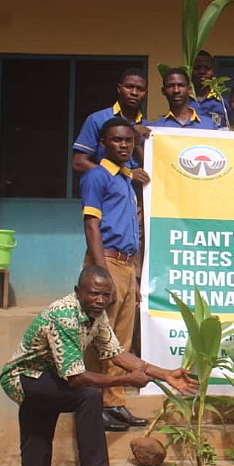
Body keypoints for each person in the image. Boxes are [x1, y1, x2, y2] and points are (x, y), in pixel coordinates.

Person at [0, 265, 198, 466]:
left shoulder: (97, 316)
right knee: (89, 396)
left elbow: (117, 355)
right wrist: (126, 381)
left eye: (105, 295)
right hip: (25, 379)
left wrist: (165, 374)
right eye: (94, 294)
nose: (100, 300)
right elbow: (77, 379)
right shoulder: (64, 315)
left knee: (36, 450)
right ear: (78, 291)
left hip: (51, 380)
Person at [80, 118, 146, 432]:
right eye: (117, 140)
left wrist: (133, 276)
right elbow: (92, 225)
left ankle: (116, 403)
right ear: (104, 143)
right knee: (99, 339)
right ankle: (96, 404)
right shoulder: (97, 176)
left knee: (120, 341)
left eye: (128, 141)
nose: (123, 145)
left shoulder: (125, 179)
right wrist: (101, 275)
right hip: (105, 263)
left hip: (126, 266)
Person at [71, 68, 151, 186]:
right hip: (106, 194)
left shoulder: (149, 129)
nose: (134, 92)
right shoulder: (97, 120)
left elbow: (154, 170)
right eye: (129, 87)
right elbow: (79, 163)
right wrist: (126, 174)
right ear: (119, 88)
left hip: (137, 198)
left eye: (140, 89)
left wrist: (137, 144)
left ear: (146, 93)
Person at [149, 68, 219, 130]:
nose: (176, 90)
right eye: (170, 86)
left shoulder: (209, 126)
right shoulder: (156, 128)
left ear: (189, 90)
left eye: (181, 85)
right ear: (163, 91)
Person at [190, 50, 230, 128]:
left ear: (213, 71)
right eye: (196, 68)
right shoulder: (182, 101)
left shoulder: (222, 103)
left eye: (207, 68)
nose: (202, 71)